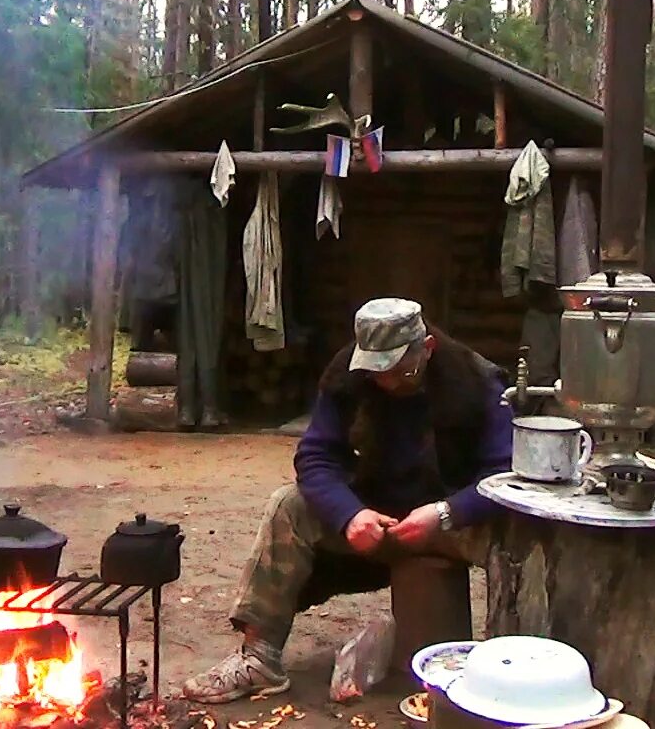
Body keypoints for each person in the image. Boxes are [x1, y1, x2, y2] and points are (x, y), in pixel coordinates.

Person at [181, 297, 514, 704]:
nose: (384, 380)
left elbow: (503, 476)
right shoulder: (348, 376)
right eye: (375, 369)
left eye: (396, 369)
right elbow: (315, 455)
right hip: (375, 512)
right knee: (288, 505)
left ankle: (512, 672)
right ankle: (259, 659)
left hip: (450, 518)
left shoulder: (478, 383)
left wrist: (447, 512)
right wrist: (348, 515)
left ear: (426, 349)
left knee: (521, 535)